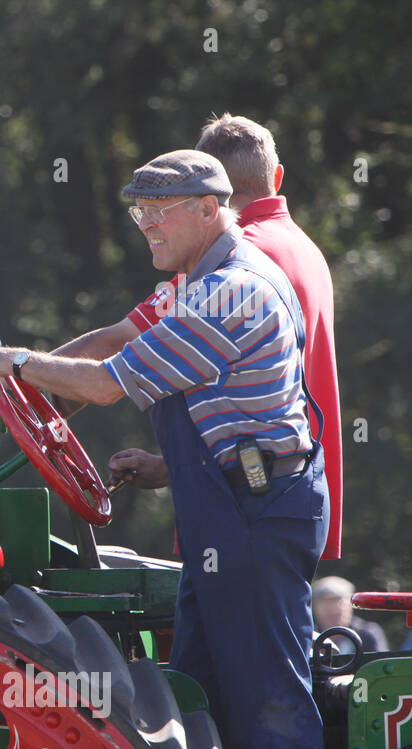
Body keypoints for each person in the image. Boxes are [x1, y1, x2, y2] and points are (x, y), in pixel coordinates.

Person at [0, 149, 333, 749]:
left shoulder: (228, 292)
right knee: (198, 699)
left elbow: (106, 382)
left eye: (159, 213)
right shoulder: (208, 280)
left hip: (251, 520)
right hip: (232, 508)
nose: (146, 227)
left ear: (209, 209)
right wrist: (169, 468)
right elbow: (243, 403)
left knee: (275, 713)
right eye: (139, 212)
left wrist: (15, 365)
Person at [104, 115, 343, 560]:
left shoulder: (233, 256)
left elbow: (123, 342)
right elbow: (251, 395)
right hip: (286, 491)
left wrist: (14, 376)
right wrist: (170, 467)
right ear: (276, 176)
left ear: (207, 198)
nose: (149, 226)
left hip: (247, 505)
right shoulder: (302, 247)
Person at [313, 575, 388, 654]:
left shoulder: (367, 635)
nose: (332, 610)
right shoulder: (310, 637)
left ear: (350, 606)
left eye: (338, 602)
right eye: (325, 605)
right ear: (315, 608)